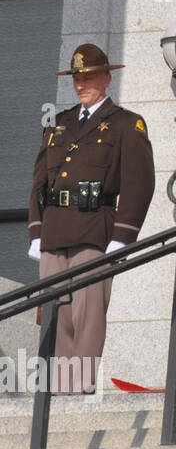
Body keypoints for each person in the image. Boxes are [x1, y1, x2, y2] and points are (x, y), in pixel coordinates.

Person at [28, 44, 155, 394]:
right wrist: (36, 231)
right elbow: (40, 181)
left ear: (107, 78)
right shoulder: (58, 124)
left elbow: (139, 183)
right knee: (54, 316)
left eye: (88, 77)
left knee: (87, 318)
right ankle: (55, 393)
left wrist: (122, 237)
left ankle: (78, 389)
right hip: (54, 232)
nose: (81, 84)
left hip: (94, 231)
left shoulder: (126, 124)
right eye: (76, 78)